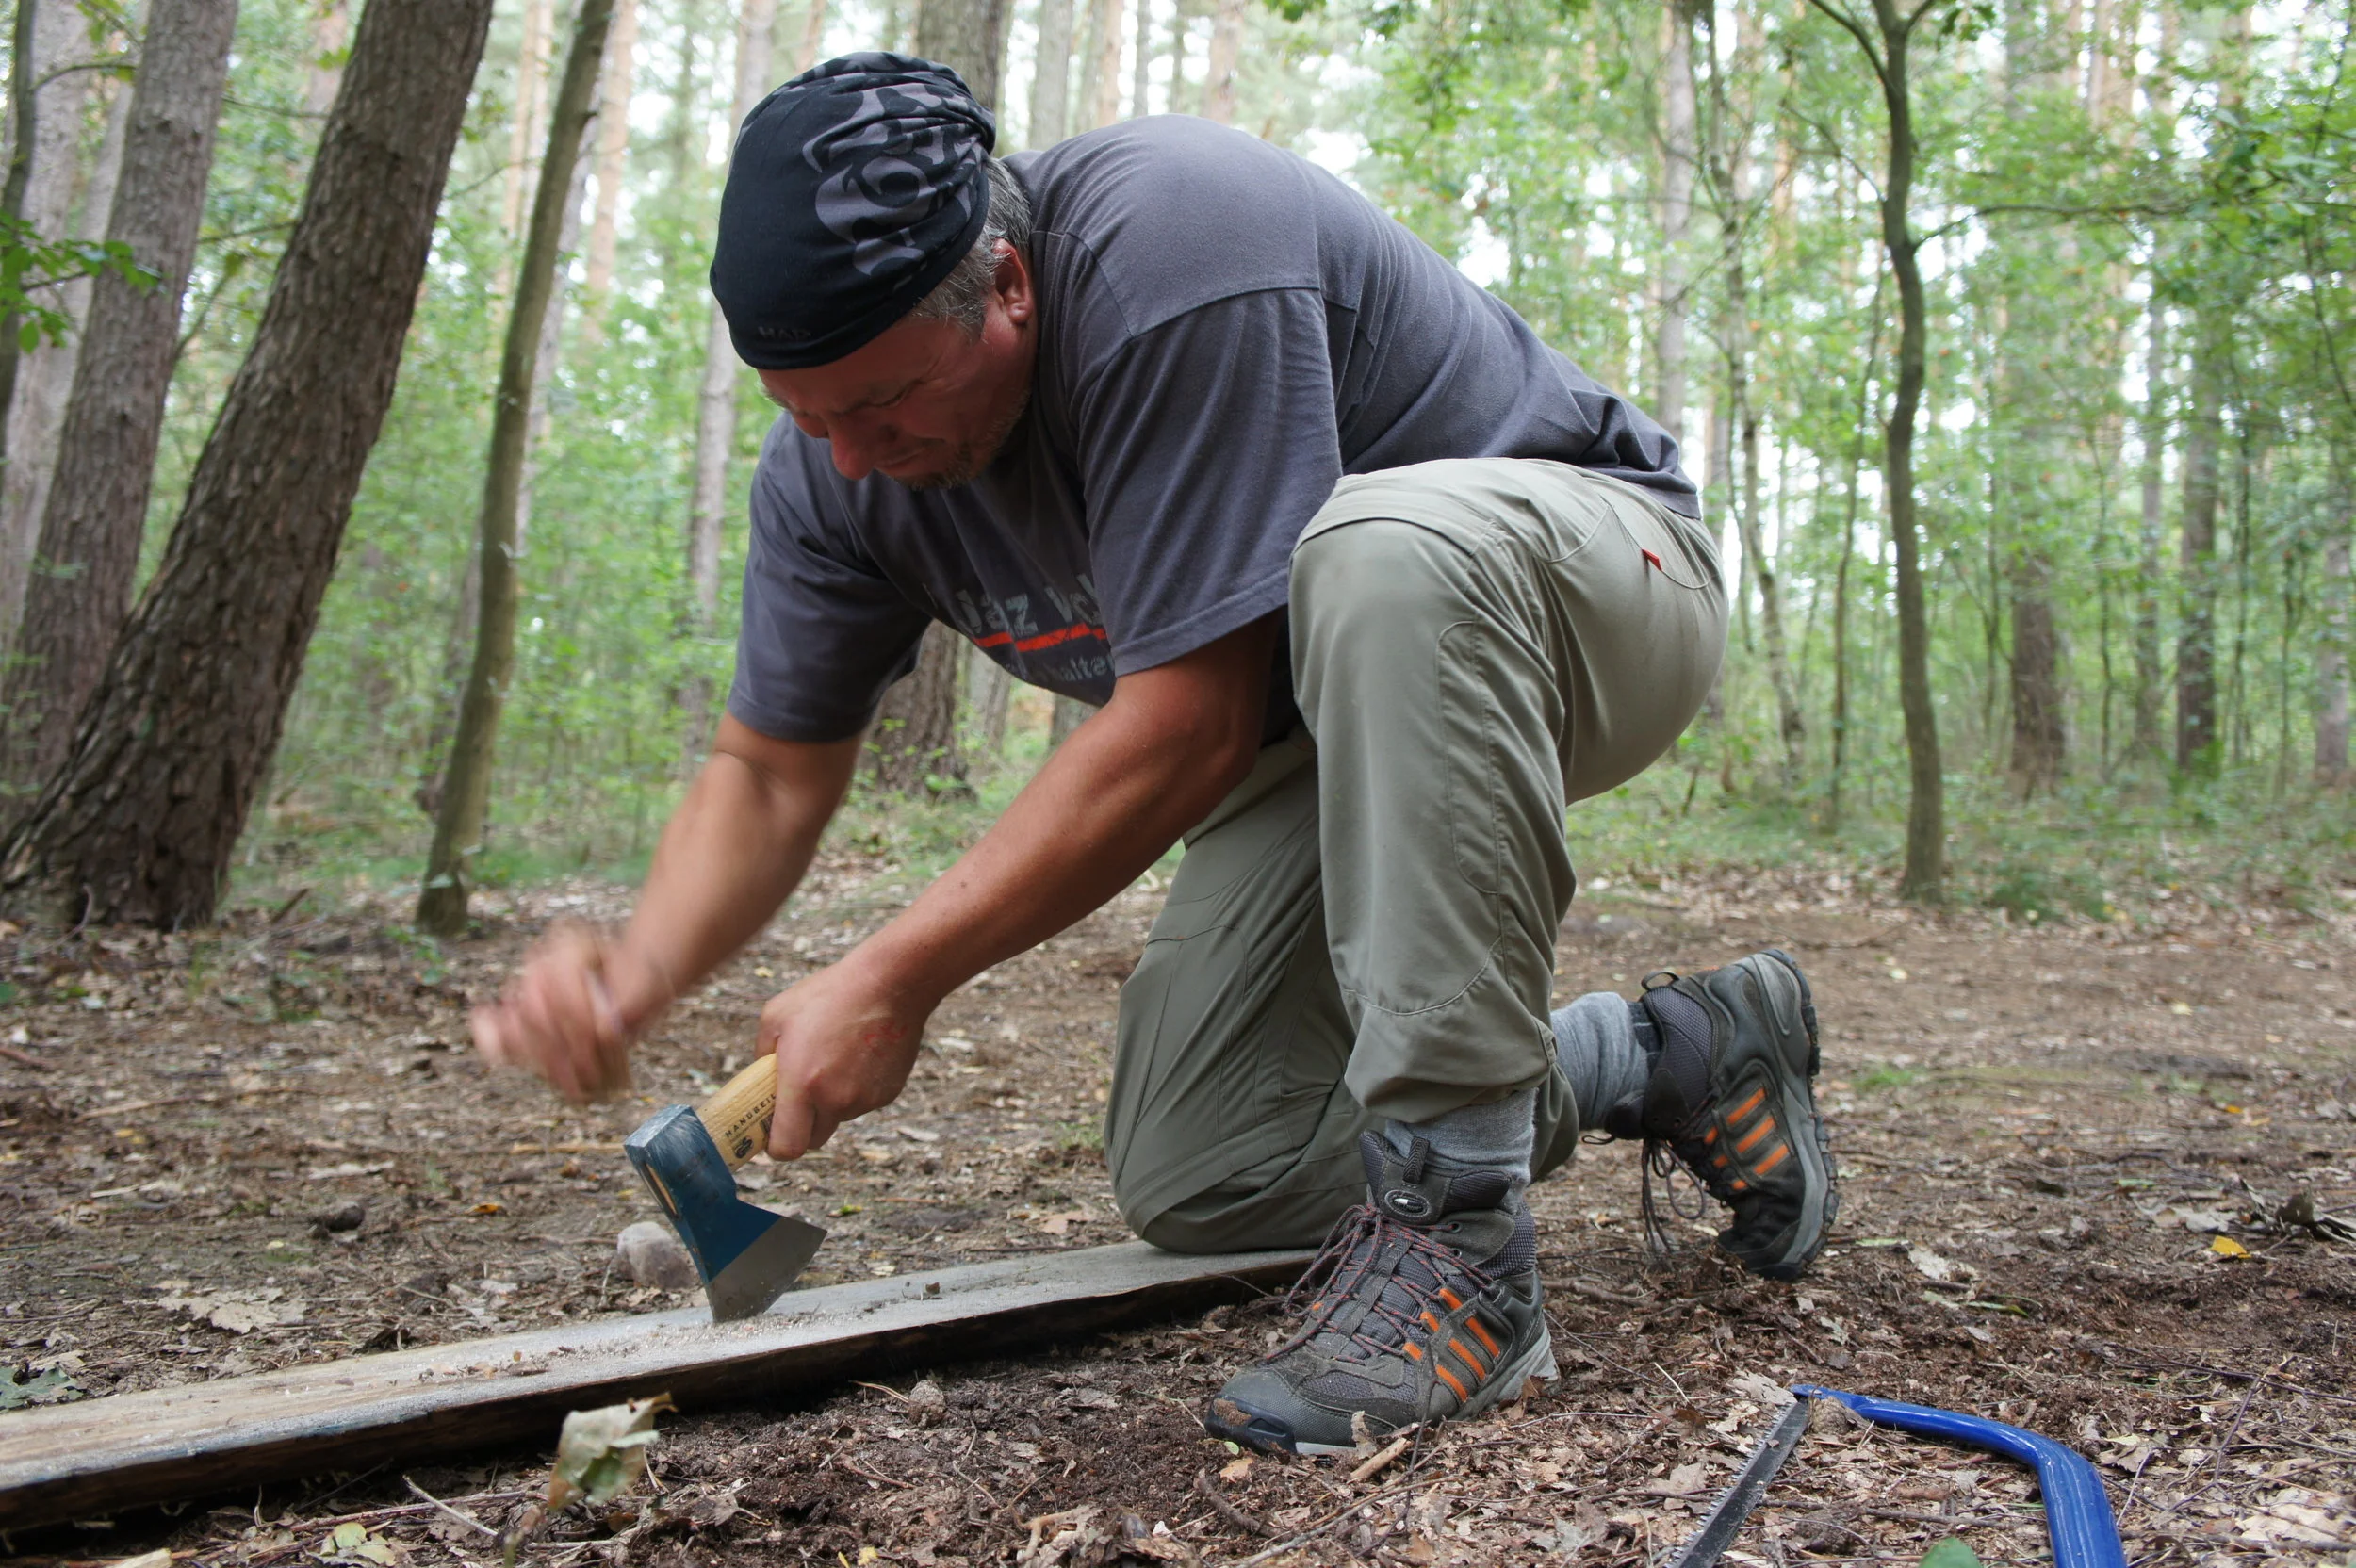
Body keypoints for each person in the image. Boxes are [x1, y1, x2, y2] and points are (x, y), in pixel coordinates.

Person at [473, 53, 1837, 1456]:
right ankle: (1675, 1051)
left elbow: (1182, 727)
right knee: (1212, 1173)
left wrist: (893, 975)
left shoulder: (1175, 237)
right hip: (1311, 725)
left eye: (883, 405)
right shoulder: (835, 470)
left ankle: (1460, 1254)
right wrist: (637, 968)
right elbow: (768, 771)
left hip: (1593, 595)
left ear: (1007, 284)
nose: (854, 459)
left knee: (1379, 553)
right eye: (805, 416)